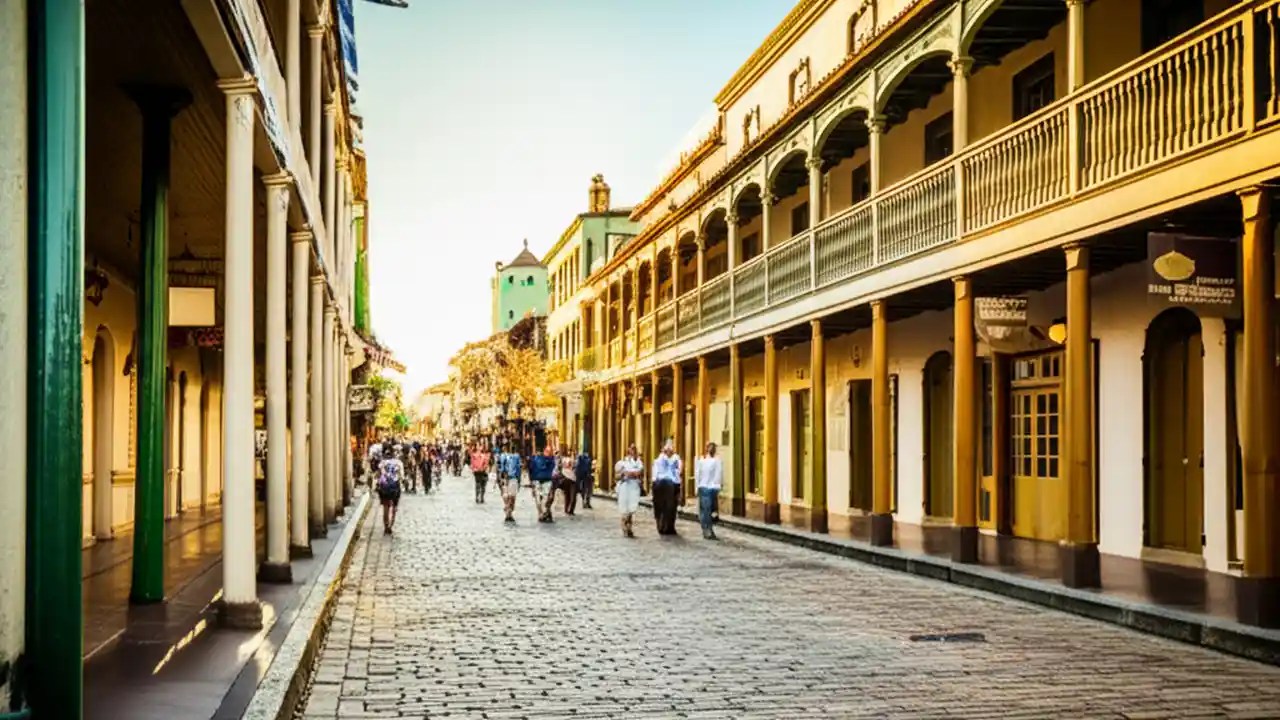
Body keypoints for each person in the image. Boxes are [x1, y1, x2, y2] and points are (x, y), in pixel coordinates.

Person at [651, 440, 683, 536]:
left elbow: (680, 471)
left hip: (673, 484)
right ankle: (661, 525)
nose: (669, 449)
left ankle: (669, 526)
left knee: (671, 507)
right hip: (660, 483)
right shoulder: (659, 459)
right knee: (660, 506)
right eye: (667, 447)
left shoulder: (677, 459)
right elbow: (655, 472)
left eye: (671, 447)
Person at [694, 442, 724, 540]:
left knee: (711, 510)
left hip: (712, 488)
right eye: (710, 447)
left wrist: (718, 486)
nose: (712, 450)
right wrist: (697, 487)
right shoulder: (701, 461)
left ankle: (709, 529)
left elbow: (719, 474)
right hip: (703, 487)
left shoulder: (717, 461)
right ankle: (706, 530)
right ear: (707, 449)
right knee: (705, 510)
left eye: (713, 448)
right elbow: (698, 474)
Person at [614, 444, 644, 537]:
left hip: (634, 486)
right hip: (625, 486)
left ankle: (629, 526)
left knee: (632, 508)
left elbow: (640, 472)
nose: (633, 451)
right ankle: (625, 527)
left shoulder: (639, 462)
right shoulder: (622, 462)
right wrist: (624, 474)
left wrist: (632, 473)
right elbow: (617, 475)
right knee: (625, 508)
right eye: (632, 449)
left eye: (635, 449)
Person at [376, 444, 404, 535]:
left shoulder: (382, 463)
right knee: (394, 507)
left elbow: (379, 475)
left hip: (384, 486)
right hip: (395, 486)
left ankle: (386, 526)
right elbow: (402, 476)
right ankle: (391, 525)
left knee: (385, 506)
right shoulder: (399, 463)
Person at [528, 446, 558, 523]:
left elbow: (555, 471)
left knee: (545, 498)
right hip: (537, 481)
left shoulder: (552, 460)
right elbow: (531, 469)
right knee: (538, 499)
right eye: (547, 451)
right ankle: (541, 514)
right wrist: (531, 480)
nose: (549, 453)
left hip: (547, 481)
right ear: (544, 451)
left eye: (550, 452)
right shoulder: (535, 459)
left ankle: (545, 513)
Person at [499, 446, 522, 523]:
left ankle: (508, 510)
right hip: (513, 477)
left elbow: (500, 468)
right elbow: (519, 468)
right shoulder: (516, 457)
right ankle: (509, 512)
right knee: (512, 496)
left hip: (504, 478)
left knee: (506, 494)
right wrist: (519, 479)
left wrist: (499, 478)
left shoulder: (502, 456)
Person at [558, 445, 578, 515]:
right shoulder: (562, 459)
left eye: (571, 451)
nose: (570, 452)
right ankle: (567, 509)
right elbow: (558, 468)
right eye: (569, 450)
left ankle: (570, 510)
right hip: (566, 479)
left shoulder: (576, 459)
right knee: (567, 495)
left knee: (572, 496)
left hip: (573, 479)